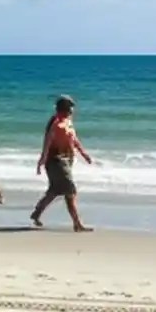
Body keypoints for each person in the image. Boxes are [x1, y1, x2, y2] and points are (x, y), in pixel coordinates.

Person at [30, 95, 94, 232]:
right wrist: (42, 160)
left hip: (67, 159)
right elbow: (47, 143)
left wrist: (84, 154)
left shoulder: (68, 122)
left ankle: (37, 213)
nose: (72, 110)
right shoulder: (56, 124)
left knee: (55, 190)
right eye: (70, 107)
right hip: (56, 161)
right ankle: (77, 224)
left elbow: (74, 139)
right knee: (70, 191)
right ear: (64, 109)